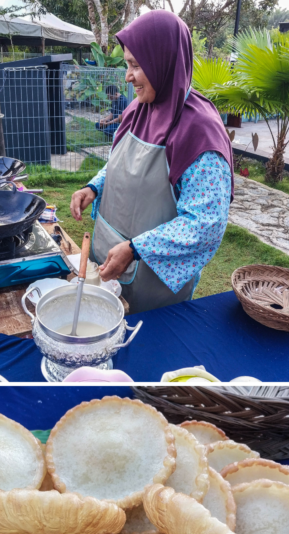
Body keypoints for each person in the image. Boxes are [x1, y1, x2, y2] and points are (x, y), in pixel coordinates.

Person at [70, 10, 232, 314]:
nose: (128, 76)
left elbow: (205, 224)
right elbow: (121, 164)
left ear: (163, 61)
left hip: (153, 286)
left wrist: (136, 249)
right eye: (127, 64)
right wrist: (93, 187)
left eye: (135, 65)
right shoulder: (136, 109)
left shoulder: (200, 131)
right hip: (110, 250)